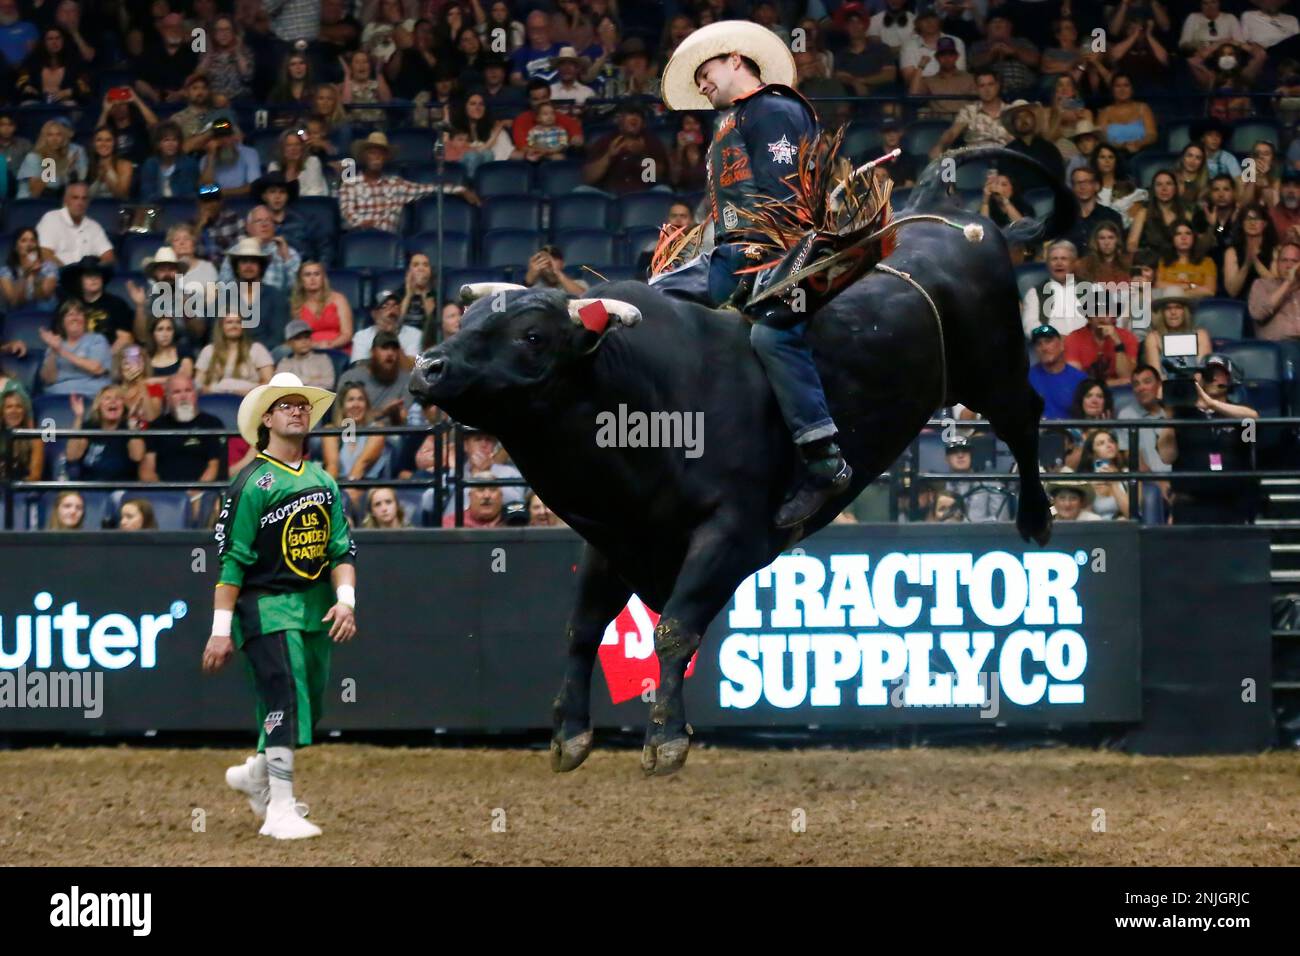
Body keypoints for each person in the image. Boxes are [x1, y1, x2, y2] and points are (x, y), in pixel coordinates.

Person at [659, 19, 851, 528]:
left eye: (705, 73)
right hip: (728, 256)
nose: (701, 86)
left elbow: (786, 200)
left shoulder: (774, 109)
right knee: (647, 304)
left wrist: (770, 269)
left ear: (736, 60)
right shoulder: (732, 119)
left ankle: (823, 460)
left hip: (781, 255)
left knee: (773, 337)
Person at [203, 371, 357, 840]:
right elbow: (232, 560)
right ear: (266, 418)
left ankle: (255, 774)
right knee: (284, 700)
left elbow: (342, 551)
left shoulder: (322, 479)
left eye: (303, 404)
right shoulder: (252, 481)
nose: (298, 410)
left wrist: (346, 601)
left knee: (304, 706)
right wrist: (220, 629)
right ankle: (281, 810)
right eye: (286, 404)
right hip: (266, 606)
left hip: (314, 607)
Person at [1157, 354, 1259, 524]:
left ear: (1230, 379)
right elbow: (1167, 456)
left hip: (1232, 504)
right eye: (1209, 373)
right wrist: (1170, 415)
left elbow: (1253, 421)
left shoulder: (1239, 413)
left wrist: (1211, 404)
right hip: (1190, 505)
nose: (1213, 378)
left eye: (1219, 374)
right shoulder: (1183, 415)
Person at [339, 132, 480, 232]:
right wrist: (364, 224)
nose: (376, 157)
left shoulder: (395, 184)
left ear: (385, 158)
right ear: (364, 156)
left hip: (388, 241)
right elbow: (347, 213)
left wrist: (460, 189)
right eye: (372, 153)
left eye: (380, 153)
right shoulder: (350, 184)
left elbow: (428, 188)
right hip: (360, 237)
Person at [139, 374, 223, 488]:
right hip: (165, 495)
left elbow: (214, 467)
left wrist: (195, 494)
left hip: (202, 492)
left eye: (188, 390)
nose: (183, 397)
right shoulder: (156, 426)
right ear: (167, 397)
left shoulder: (212, 424)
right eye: (176, 392)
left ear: (195, 394)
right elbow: (147, 471)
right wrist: (164, 494)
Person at [1118, 363, 1172, 525]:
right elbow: (1135, 461)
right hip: (1150, 481)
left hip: (1179, 477)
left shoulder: (1173, 411)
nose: (1141, 388)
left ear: (1159, 385)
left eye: (1147, 381)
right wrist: (1160, 484)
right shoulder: (1127, 415)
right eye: (1136, 384)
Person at [581, 100, 667, 196]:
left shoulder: (651, 141)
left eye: (639, 115)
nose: (634, 118)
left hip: (642, 196)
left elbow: (654, 178)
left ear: (643, 123)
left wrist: (641, 156)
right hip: (611, 197)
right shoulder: (606, 141)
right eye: (630, 114)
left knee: (663, 190)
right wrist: (608, 156)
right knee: (582, 190)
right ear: (619, 119)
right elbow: (588, 179)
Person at [64, 385, 146, 481]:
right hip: (90, 486)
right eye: (107, 398)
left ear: (124, 406)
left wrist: (132, 420)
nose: (113, 401)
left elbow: (137, 456)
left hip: (122, 487)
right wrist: (79, 417)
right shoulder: (90, 427)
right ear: (98, 406)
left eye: (118, 399)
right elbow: (72, 456)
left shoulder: (129, 428)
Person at [929, 70, 1014, 157]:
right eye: (982, 86)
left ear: (997, 86)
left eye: (990, 84)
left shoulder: (1013, 111)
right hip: (975, 160)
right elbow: (952, 133)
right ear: (977, 89)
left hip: (1005, 159)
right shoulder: (969, 111)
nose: (987, 90)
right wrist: (940, 146)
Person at [39, 300, 113, 397]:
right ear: (62, 322)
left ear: (85, 320)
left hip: (91, 395)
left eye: (79, 314)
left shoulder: (97, 339)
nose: (74, 318)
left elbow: (96, 368)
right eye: (70, 315)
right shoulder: (55, 343)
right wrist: (53, 351)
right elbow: (48, 379)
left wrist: (60, 351)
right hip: (60, 396)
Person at [60, 256, 134, 352]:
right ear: (80, 280)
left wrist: (105, 359)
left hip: (109, 359)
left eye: (97, 274)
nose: (94, 278)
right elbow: (58, 337)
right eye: (88, 275)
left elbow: (125, 338)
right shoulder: (68, 305)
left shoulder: (117, 304)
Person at [36, 182, 115, 268]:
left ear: (88, 202)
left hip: (87, 278)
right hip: (58, 276)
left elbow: (109, 256)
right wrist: (69, 274)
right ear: (66, 200)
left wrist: (93, 272)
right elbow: (44, 253)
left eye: (84, 198)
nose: (80, 203)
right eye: (75, 198)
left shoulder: (94, 226)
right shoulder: (51, 219)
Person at [196, 312, 276, 396]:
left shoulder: (257, 349)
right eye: (229, 322)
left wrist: (248, 393)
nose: (234, 326)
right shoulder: (209, 350)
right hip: (215, 399)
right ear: (221, 326)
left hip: (249, 399)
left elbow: (269, 382)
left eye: (238, 322)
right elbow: (198, 384)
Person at [339, 332, 411, 425]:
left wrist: (394, 414)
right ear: (372, 352)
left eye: (394, 349)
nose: (390, 353)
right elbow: (341, 417)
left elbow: (404, 422)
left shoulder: (407, 381)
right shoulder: (350, 377)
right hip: (354, 432)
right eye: (384, 348)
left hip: (391, 434)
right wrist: (382, 412)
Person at [16, 118, 87, 200]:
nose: (54, 139)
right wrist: (58, 168)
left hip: (51, 202)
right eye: (50, 135)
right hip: (29, 204)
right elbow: (35, 192)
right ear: (44, 138)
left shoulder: (63, 158)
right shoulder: (33, 158)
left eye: (58, 135)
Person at [1065, 309, 1140, 386]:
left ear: (1113, 317)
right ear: (1089, 318)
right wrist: (1112, 383)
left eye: (1107, 312)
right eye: (1096, 312)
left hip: (1119, 390)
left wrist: (1118, 343)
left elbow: (1127, 377)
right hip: (1087, 391)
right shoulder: (1074, 338)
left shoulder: (1127, 337)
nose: (1102, 317)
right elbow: (1074, 379)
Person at [1029, 324, 1088, 419]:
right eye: (1038, 344)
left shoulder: (1080, 380)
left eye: (1048, 341)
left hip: (1070, 432)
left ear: (1061, 345)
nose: (1044, 348)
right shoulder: (1026, 379)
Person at [1143, 288, 1212, 370]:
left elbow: (1202, 373)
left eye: (1178, 307)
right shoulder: (1153, 338)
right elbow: (1156, 375)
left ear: (1185, 311)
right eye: (1168, 308)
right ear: (1162, 313)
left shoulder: (1200, 336)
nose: (1173, 312)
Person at [291, 261, 354, 351]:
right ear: (301, 280)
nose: (312, 278)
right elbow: (295, 337)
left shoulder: (338, 299)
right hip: (308, 350)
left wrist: (330, 345)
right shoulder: (296, 305)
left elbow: (347, 334)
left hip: (338, 349)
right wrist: (313, 346)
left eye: (316, 274)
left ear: (323, 278)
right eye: (307, 275)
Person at [1248, 240, 1300, 340]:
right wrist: (1288, 283)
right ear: (1277, 263)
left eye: (1294, 261)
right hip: (1278, 347)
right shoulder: (1262, 285)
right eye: (1284, 260)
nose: (1289, 266)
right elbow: (1258, 314)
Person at [352, 292, 421, 366]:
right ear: (374, 314)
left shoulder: (415, 334)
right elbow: (359, 367)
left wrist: (392, 336)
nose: (391, 310)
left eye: (395, 306)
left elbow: (412, 367)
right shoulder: (361, 336)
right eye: (385, 307)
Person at [1, 228, 59, 312]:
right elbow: (14, 302)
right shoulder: (5, 271)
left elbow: (45, 295)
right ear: (16, 247)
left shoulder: (49, 267)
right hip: (18, 316)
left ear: (37, 245)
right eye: (23, 240)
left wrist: (36, 275)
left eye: (32, 240)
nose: (29, 244)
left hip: (46, 312)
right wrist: (25, 274)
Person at [1157, 223, 1218, 299]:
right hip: (1168, 303)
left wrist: (1179, 292)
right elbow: (1158, 285)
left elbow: (1209, 291)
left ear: (1194, 238)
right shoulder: (1164, 261)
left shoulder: (1207, 262)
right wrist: (1190, 286)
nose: (1183, 237)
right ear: (1172, 239)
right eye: (1178, 234)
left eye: (1188, 233)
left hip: (1197, 304)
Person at [265, 129, 329, 198]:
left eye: (297, 144)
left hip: (310, 206)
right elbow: (272, 195)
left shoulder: (312, 162)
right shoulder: (274, 166)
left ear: (303, 148)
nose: (293, 148)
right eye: (289, 145)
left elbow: (315, 193)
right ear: (282, 149)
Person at [0, 384, 44, 482]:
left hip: (24, 491)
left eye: (18, 406)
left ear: (24, 412)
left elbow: (35, 477)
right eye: (9, 407)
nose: (14, 411)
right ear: (2, 413)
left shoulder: (36, 439)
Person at [277, 318, 338, 390]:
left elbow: (329, 383)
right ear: (289, 343)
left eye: (306, 337)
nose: (304, 341)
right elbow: (279, 385)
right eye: (298, 338)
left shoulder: (323, 359)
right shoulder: (285, 363)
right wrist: (313, 379)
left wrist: (297, 380)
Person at [524, 244, 589, 295]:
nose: (548, 262)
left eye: (554, 258)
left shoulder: (579, 283)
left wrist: (557, 272)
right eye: (543, 259)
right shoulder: (535, 287)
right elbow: (520, 302)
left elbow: (585, 301)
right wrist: (528, 281)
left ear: (563, 264)